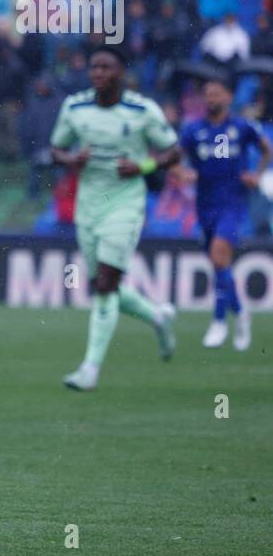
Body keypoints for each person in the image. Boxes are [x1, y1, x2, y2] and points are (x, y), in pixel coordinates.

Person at [49, 46, 181, 391]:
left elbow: (174, 150)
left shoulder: (142, 110)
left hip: (125, 203)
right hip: (89, 204)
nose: (98, 73)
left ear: (122, 72)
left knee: (106, 284)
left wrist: (144, 166)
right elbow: (55, 149)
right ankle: (158, 317)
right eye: (94, 67)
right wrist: (71, 159)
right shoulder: (75, 108)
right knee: (103, 286)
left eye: (106, 67)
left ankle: (89, 369)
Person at [179, 77, 270, 350]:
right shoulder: (194, 130)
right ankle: (241, 312)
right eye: (207, 94)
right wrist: (183, 172)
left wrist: (257, 174)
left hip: (233, 202)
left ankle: (219, 320)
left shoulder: (241, 127)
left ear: (229, 97)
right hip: (205, 204)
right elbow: (175, 158)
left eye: (216, 94)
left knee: (219, 254)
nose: (211, 99)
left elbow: (267, 149)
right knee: (219, 264)